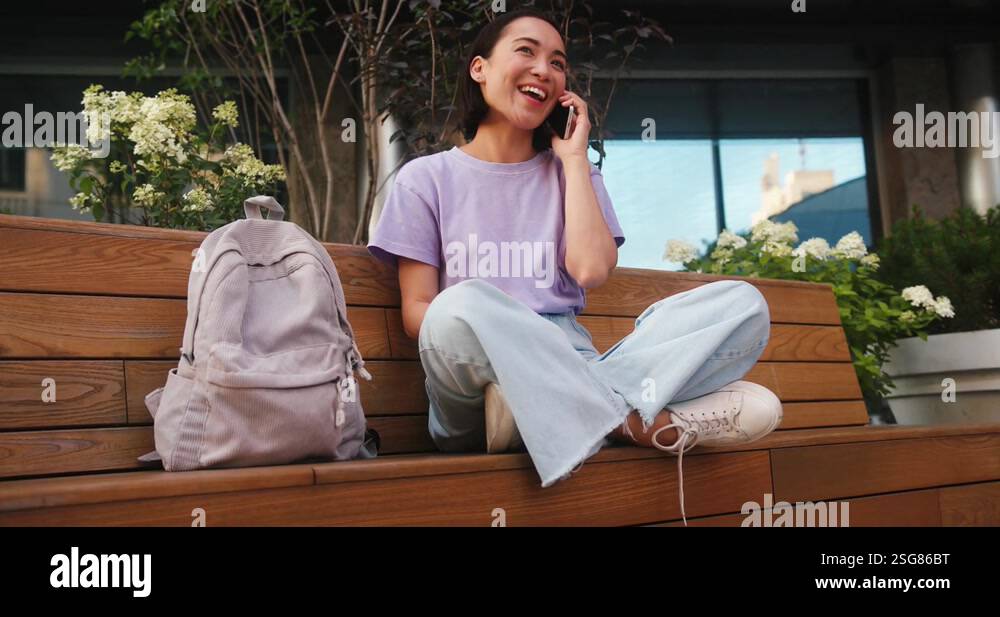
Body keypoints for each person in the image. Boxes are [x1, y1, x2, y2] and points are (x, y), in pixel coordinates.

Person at [367, 9, 782, 525]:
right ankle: (634, 421)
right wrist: (510, 336)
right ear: (479, 68)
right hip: (474, 390)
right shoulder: (423, 180)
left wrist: (573, 161)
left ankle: (554, 413)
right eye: (526, 50)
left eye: (557, 62)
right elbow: (419, 314)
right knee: (461, 303)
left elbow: (590, 271)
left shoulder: (574, 173)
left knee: (741, 304)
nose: (544, 68)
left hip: (573, 357)